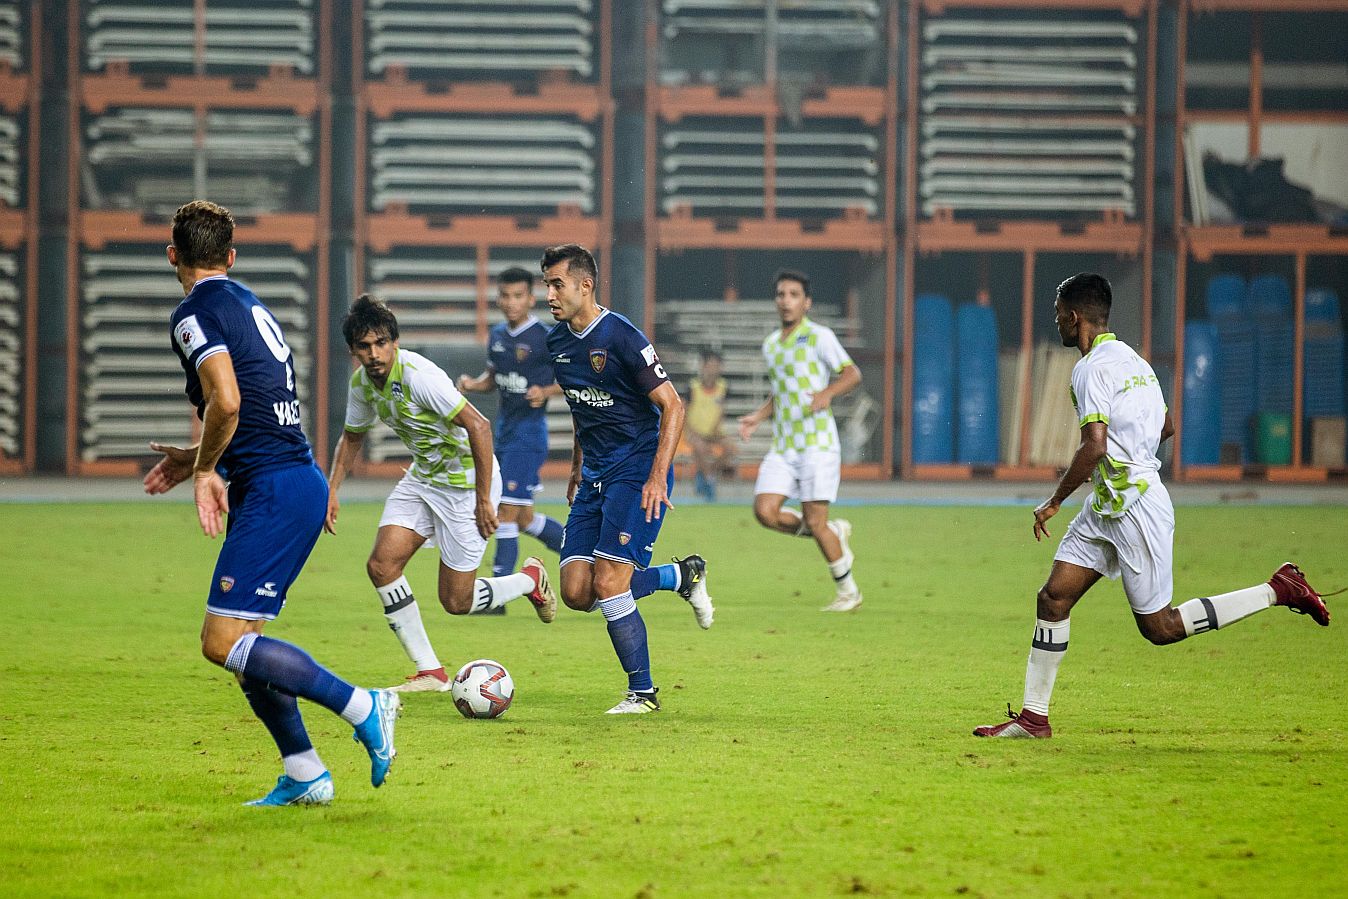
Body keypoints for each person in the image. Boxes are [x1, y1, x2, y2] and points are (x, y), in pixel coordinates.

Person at [974, 272, 1332, 739]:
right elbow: (1166, 426)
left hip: (1136, 508)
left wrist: (1055, 499)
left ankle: (1278, 588)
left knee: (1160, 628)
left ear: (1074, 316)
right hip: (1108, 506)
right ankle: (1033, 717)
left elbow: (1095, 446)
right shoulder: (1135, 361)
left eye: (1058, 313)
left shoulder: (1088, 370)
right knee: (1053, 598)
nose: (1056, 321)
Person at [144, 200, 399, 807]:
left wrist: (207, 467)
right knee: (246, 645)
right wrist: (196, 456)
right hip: (287, 481)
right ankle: (306, 773)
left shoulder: (192, 313)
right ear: (231, 258)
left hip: (277, 488)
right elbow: (246, 405)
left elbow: (228, 401)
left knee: (220, 638)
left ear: (173, 254)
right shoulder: (249, 303)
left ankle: (366, 704)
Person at [325, 294, 557, 694]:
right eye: (364, 346)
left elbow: (480, 426)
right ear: (353, 351)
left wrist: (485, 500)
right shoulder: (362, 385)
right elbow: (351, 437)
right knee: (381, 565)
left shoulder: (417, 376)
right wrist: (331, 490)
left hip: (466, 485)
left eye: (381, 343)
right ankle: (430, 672)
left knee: (456, 600)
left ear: (394, 343)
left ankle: (528, 580)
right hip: (423, 479)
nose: (374, 353)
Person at [542, 243, 714, 714]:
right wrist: (577, 466)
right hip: (595, 475)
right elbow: (582, 406)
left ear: (585, 285)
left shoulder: (622, 337)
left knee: (612, 583)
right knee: (578, 591)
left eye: (557, 284)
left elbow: (673, 405)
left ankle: (643, 693)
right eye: (548, 285)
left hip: (636, 471)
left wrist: (658, 477)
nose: (550, 294)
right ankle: (681, 575)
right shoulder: (557, 342)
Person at [738, 269, 863, 612]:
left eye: (794, 294)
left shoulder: (819, 336)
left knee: (815, 519)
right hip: (784, 446)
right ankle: (833, 534)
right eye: (781, 294)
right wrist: (757, 416)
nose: (786, 300)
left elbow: (852, 374)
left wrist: (827, 393)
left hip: (817, 445)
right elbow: (780, 394)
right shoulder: (771, 345)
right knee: (765, 511)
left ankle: (849, 592)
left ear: (806, 303)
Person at [457, 267, 565, 591]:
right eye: (505, 295)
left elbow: (571, 378)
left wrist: (545, 392)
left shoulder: (545, 337)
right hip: (504, 434)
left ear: (531, 299)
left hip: (529, 435)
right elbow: (494, 379)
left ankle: (500, 590)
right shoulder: (498, 335)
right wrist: (472, 385)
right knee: (523, 518)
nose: (510, 302)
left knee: (503, 511)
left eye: (518, 295)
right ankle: (577, 550)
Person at [686, 350, 734, 501]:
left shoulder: (723, 387)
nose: (712, 369)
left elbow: (722, 410)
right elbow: (684, 412)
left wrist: (717, 430)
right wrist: (691, 432)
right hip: (695, 433)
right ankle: (709, 484)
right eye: (709, 365)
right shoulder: (692, 387)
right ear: (702, 366)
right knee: (700, 448)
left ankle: (707, 474)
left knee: (731, 448)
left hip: (714, 433)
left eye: (716, 366)